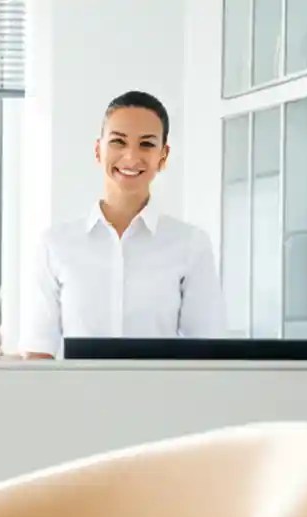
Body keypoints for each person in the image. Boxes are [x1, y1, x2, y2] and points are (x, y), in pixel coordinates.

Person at [19, 90, 226, 359]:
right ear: (98, 150)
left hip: (161, 400)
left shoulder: (191, 244)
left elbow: (209, 352)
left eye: (147, 144)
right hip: (76, 399)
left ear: (163, 156)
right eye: (118, 142)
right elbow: (38, 354)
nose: (131, 157)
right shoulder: (55, 245)